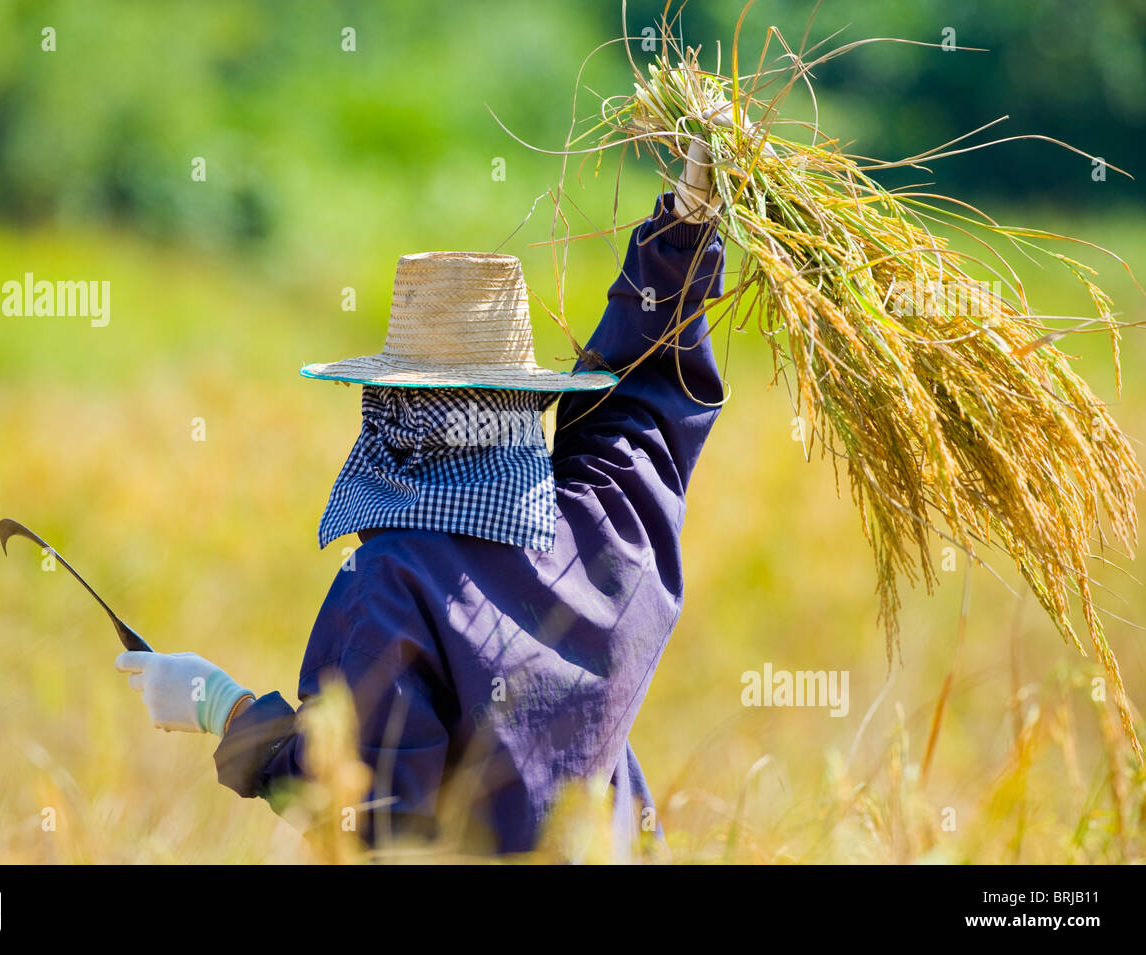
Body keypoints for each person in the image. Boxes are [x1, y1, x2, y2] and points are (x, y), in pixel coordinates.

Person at [118, 136, 732, 856]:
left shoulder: (390, 580)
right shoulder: (604, 524)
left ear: (393, 412)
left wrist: (222, 708)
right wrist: (685, 236)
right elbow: (648, 404)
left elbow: (372, 814)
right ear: (519, 401)